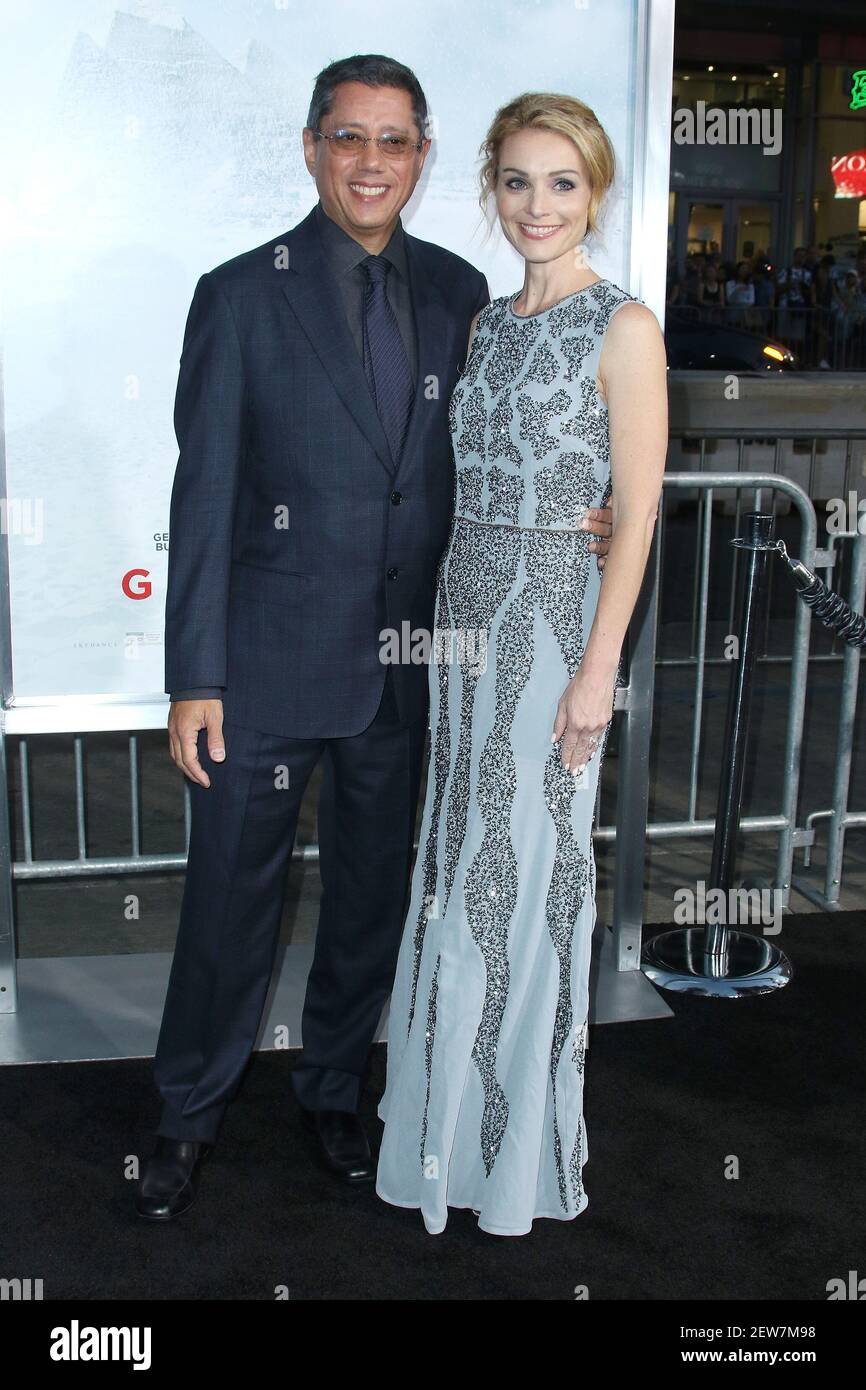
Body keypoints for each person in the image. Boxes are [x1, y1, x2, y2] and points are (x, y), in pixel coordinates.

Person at [135, 55, 613, 1221]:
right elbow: (203, 496)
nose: (370, 161)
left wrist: (575, 512)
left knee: (368, 896)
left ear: (422, 155)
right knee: (225, 903)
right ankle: (184, 1114)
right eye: (348, 138)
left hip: (418, 665)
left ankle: (335, 1088)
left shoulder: (464, 296)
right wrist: (192, 674)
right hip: (264, 661)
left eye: (394, 141)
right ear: (311, 148)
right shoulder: (242, 293)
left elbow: (507, 449)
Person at [375, 92, 667, 1236]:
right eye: (516, 181)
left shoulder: (622, 325)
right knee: (453, 868)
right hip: (465, 623)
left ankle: (511, 1159)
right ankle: (436, 1134)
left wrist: (599, 666)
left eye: (561, 182)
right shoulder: (486, 325)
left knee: (528, 884)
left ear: (592, 192)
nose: (536, 205)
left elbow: (634, 514)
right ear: (489, 187)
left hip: (554, 636)